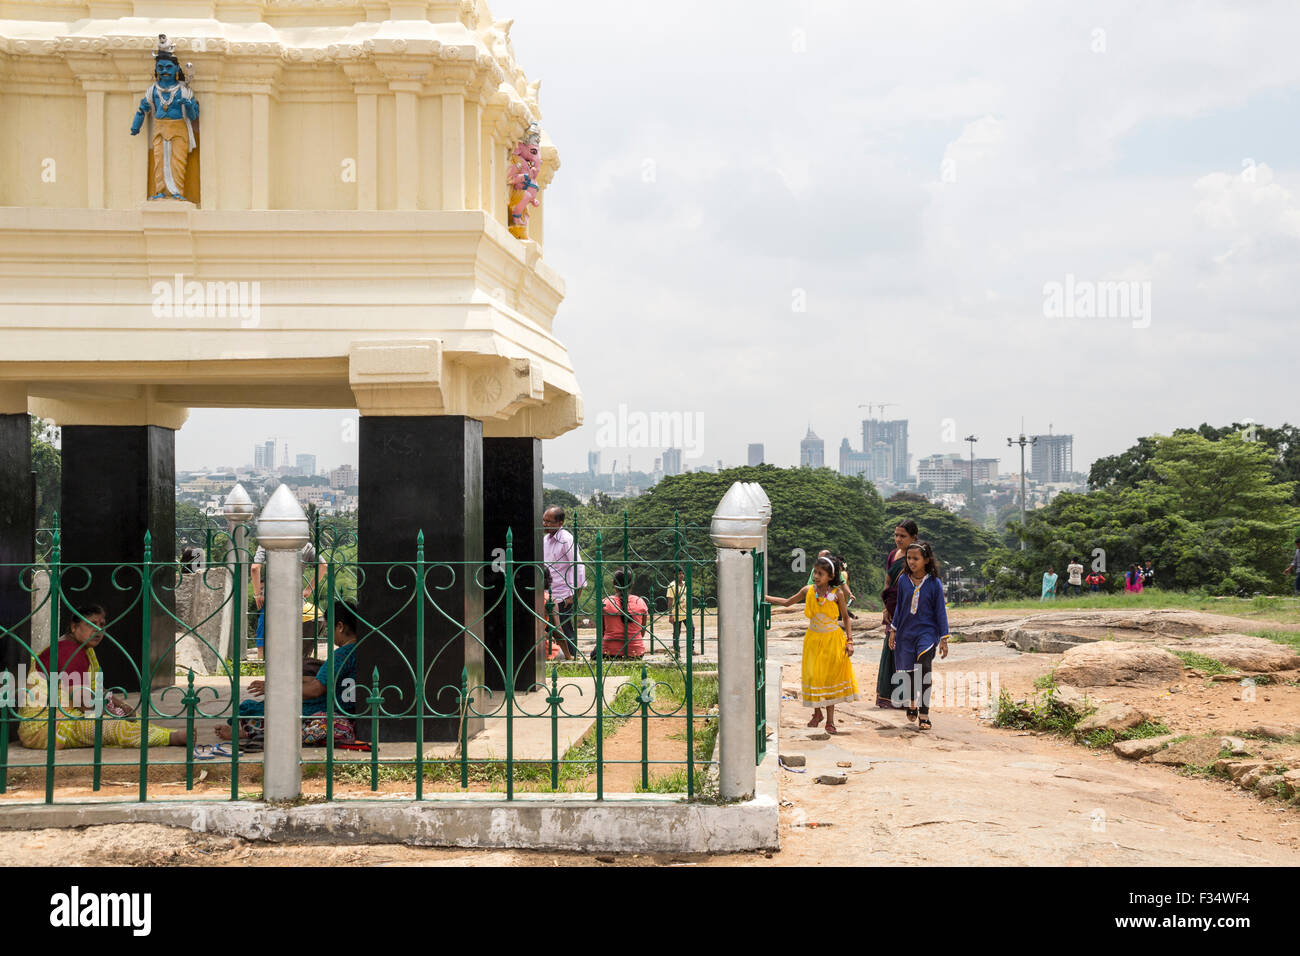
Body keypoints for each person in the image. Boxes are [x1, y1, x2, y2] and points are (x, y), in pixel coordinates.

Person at [17, 604, 187, 750]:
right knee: (114, 726)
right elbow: (82, 700)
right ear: (74, 627)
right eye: (91, 624)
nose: (98, 630)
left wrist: (120, 705)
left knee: (128, 715)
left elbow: (97, 689)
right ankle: (171, 738)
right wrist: (114, 713)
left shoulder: (84, 649)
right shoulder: (67, 652)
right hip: (48, 728)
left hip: (70, 716)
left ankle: (165, 734)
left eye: (102, 624)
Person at [220, 601, 361, 745]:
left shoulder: (342, 655)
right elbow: (317, 681)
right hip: (348, 712)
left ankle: (250, 732)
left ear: (340, 627)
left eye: (328, 628)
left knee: (263, 710)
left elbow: (315, 689)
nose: (327, 634)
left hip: (334, 712)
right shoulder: (361, 651)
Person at [766, 554, 857, 734]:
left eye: (820, 573)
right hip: (813, 640)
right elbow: (786, 603)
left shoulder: (837, 593)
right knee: (813, 676)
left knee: (830, 678)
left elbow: (846, 618)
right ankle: (817, 713)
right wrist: (763, 596)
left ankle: (830, 721)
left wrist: (850, 641)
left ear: (830, 576)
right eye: (815, 572)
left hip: (833, 640)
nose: (816, 576)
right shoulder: (807, 590)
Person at [888, 541, 950, 731]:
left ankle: (924, 713)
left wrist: (944, 638)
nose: (912, 562)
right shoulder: (903, 580)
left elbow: (940, 611)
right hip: (906, 633)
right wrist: (893, 630)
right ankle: (912, 702)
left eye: (916, 558)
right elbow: (899, 607)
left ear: (926, 560)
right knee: (908, 672)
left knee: (924, 669)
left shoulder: (934, 583)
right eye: (909, 558)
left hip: (927, 633)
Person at [250, 541, 328, 662]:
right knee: (298, 662)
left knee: (281, 661)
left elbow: (255, 568)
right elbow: (323, 565)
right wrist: (309, 589)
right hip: (301, 609)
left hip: (275, 605)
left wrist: (257, 594)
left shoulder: (266, 543)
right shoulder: (305, 545)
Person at [878, 520, 918, 708]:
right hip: (892, 608)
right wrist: (886, 607)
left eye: (903, 536)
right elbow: (888, 583)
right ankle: (887, 696)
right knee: (890, 649)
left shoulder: (916, 557)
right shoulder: (893, 555)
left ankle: (905, 698)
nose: (898, 539)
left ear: (913, 537)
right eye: (896, 535)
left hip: (909, 610)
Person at [542, 506, 585, 659]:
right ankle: (554, 657)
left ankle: (572, 657)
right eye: (544, 520)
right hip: (548, 592)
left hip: (563, 594)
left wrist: (575, 594)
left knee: (564, 628)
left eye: (549, 521)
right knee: (547, 627)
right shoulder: (545, 540)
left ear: (560, 523)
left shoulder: (566, 539)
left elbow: (578, 566)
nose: (545, 524)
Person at [601, 568, 649, 658]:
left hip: (610, 652)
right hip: (635, 652)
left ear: (613, 583)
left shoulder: (606, 602)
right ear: (632, 583)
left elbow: (602, 632)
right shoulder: (640, 601)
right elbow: (642, 633)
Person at [665, 568, 688, 655]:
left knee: (691, 629)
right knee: (677, 633)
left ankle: (691, 648)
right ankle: (677, 651)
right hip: (676, 613)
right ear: (675, 575)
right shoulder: (672, 586)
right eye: (679, 574)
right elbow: (670, 601)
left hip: (685, 612)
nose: (681, 575)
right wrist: (670, 615)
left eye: (682, 573)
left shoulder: (686, 584)